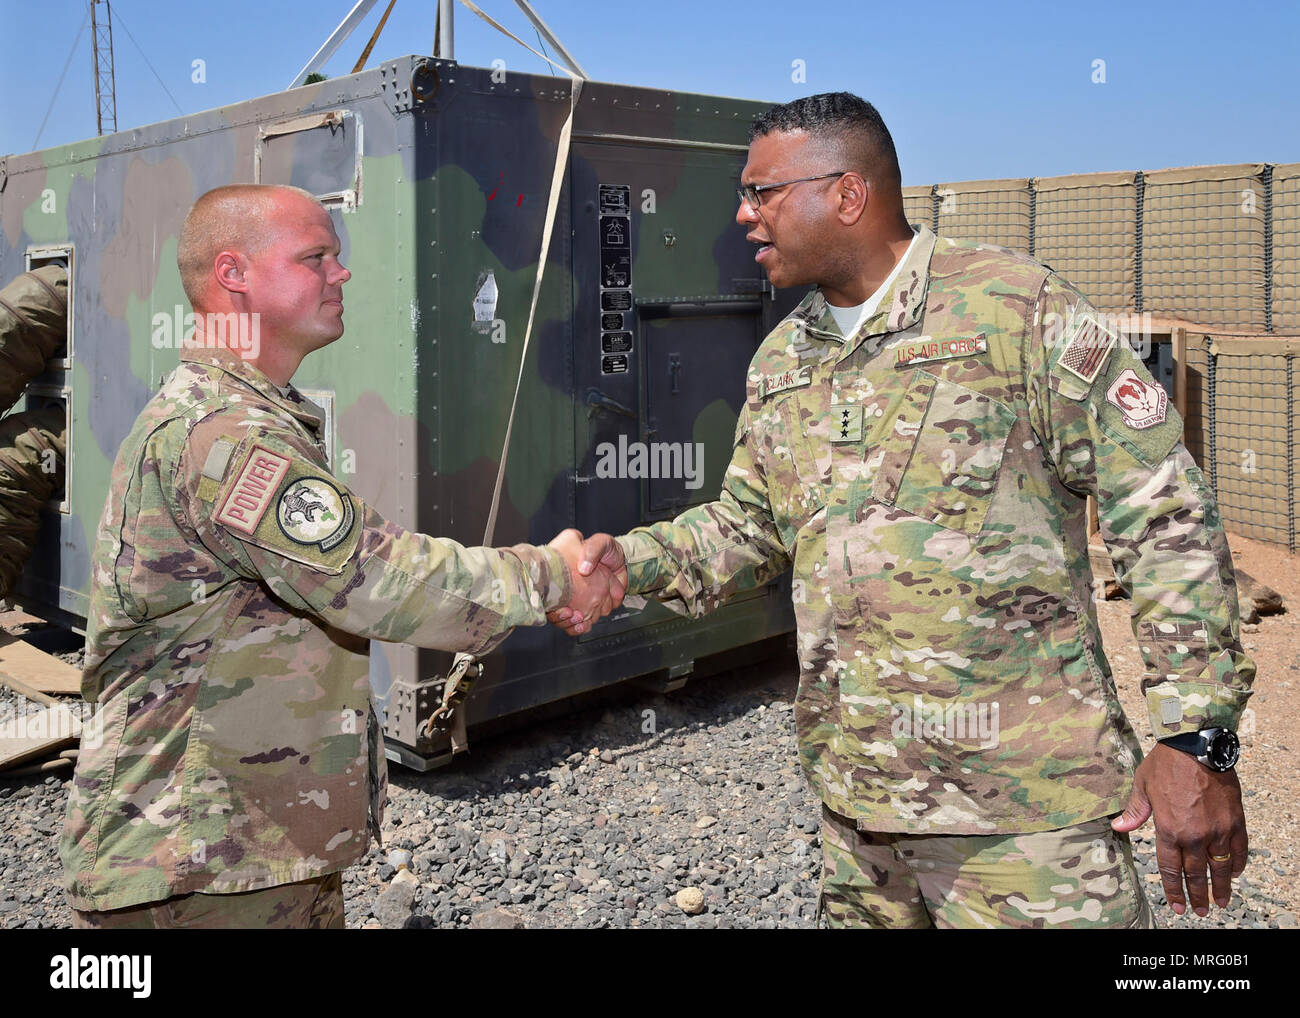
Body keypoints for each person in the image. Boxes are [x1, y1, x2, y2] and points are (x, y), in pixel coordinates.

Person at [551, 93, 1255, 929]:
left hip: (1025, 825)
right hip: (860, 817)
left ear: (848, 194)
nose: (743, 215)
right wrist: (628, 565)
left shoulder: (1014, 310)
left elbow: (1162, 507)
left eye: (761, 193)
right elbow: (746, 527)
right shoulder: (784, 358)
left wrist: (1195, 735)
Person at [60, 184, 625, 928]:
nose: (342, 271)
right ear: (233, 274)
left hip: (239, 847)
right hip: (195, 867)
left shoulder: (241, 414)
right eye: (315, 256)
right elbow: (374, 577)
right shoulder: (223, 434)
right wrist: (553, 575)